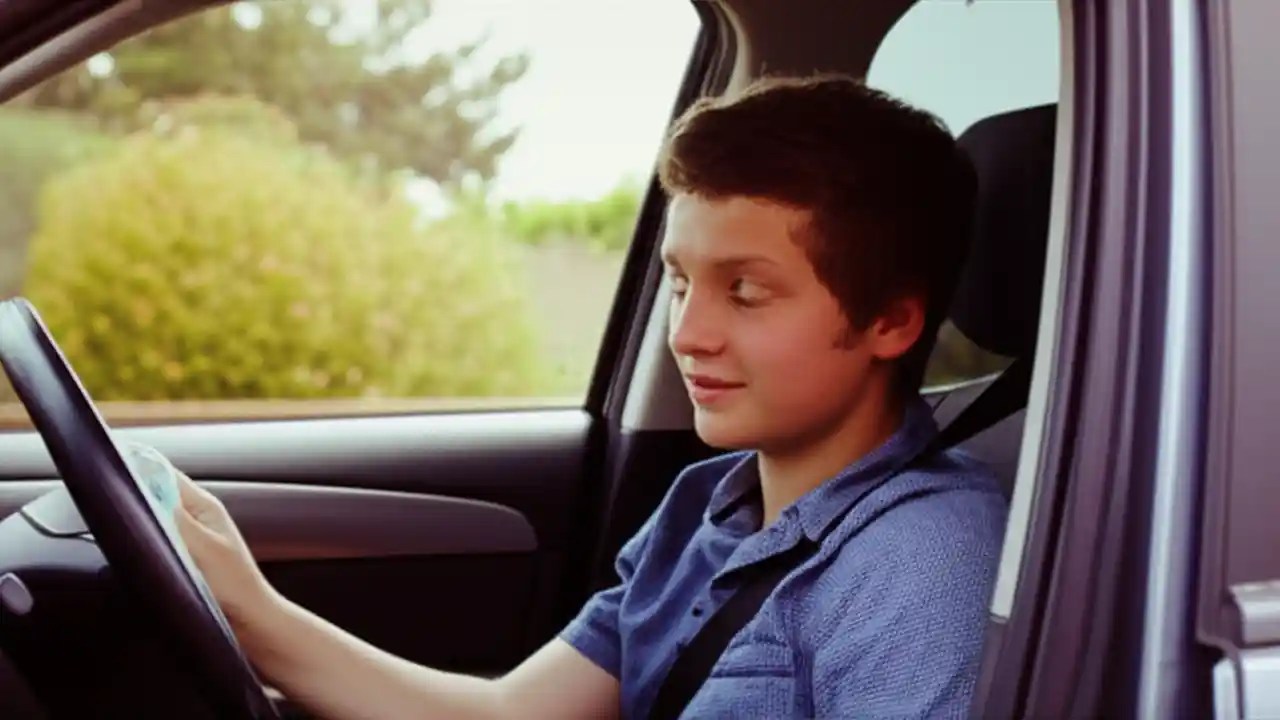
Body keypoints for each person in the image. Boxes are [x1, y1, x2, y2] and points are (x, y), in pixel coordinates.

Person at [174, 74, 1008, 720]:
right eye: (680, 284)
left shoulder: (922, 563)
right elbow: (513, 712)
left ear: (891, 322)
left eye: (746, 293)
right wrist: (250, 608)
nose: (688, 334)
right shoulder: (703, 509)